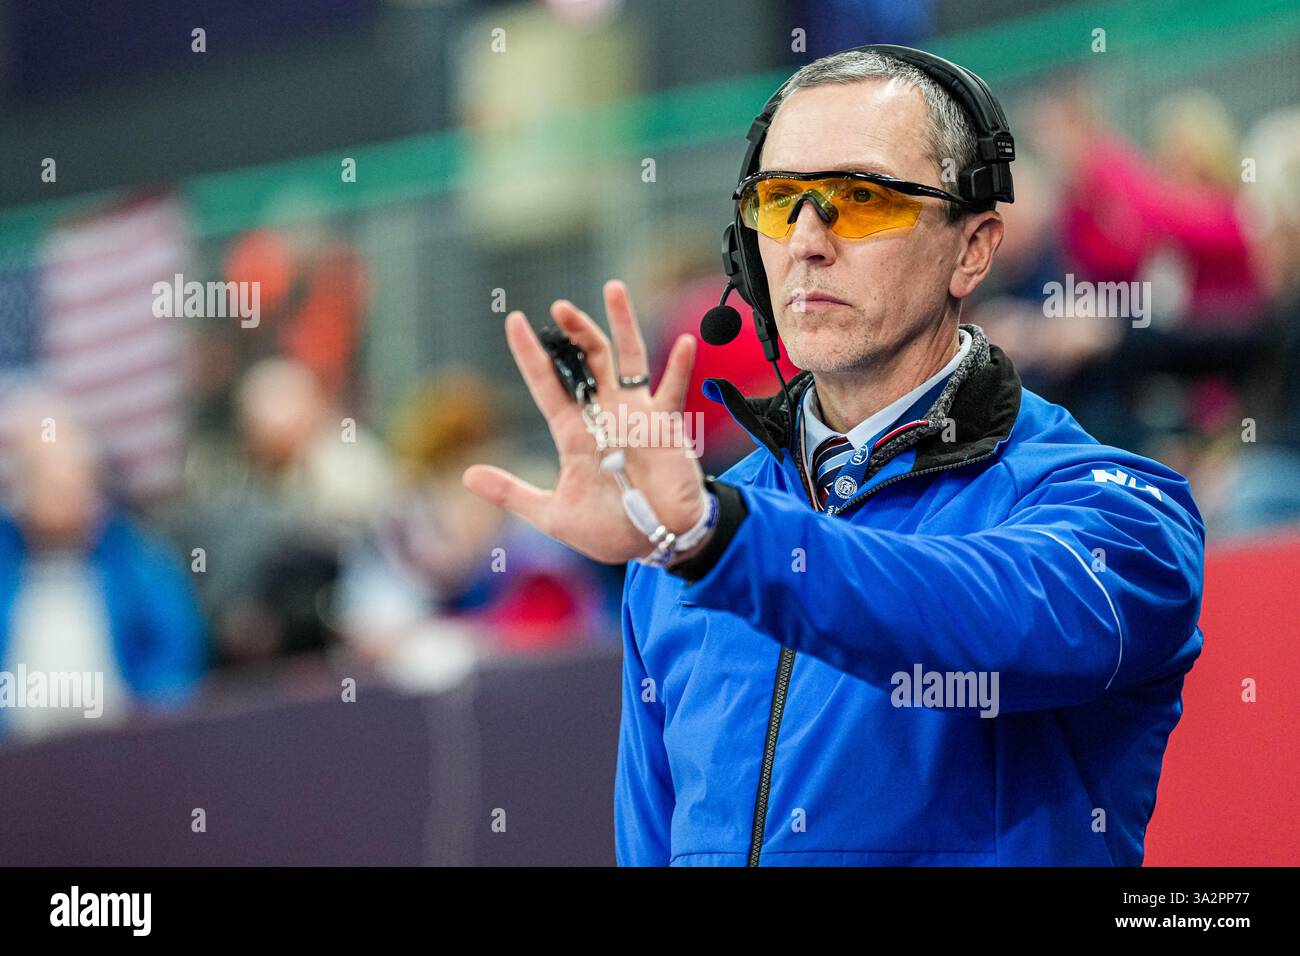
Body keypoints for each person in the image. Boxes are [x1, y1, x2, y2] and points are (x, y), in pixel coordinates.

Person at [462, 47, 1205, 866]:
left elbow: (977, 621)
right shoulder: (681, 541)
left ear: (974, 249)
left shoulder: (1123, 511)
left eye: (861, 198)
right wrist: (704, 539)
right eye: (781, 203)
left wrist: (719, 540)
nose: (807, 241)